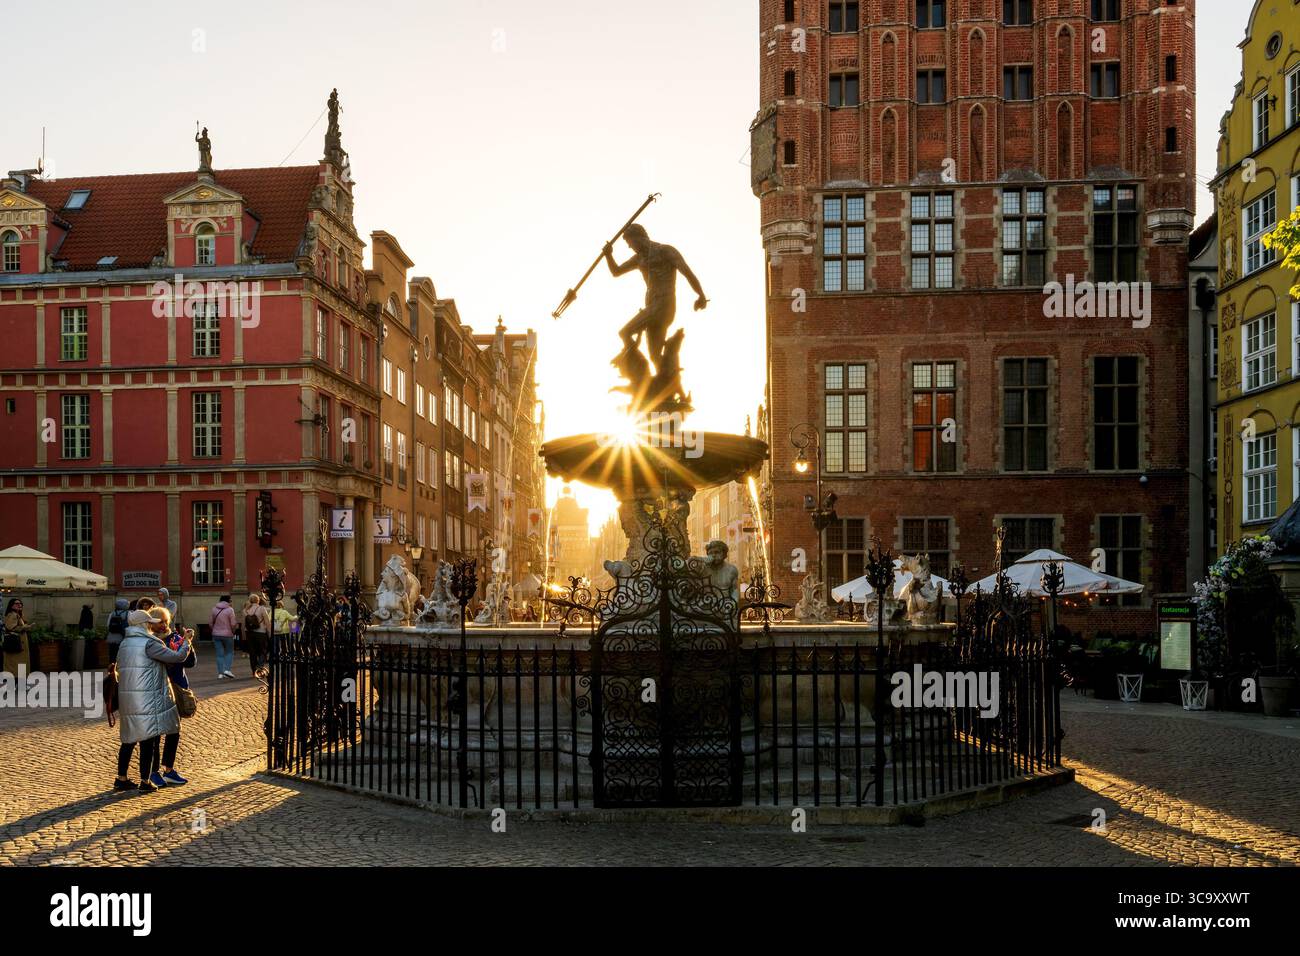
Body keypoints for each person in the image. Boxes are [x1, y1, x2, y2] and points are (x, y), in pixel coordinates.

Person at [112, 607, 191, 793]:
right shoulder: (149, 643)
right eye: (148, 622)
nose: (151, 625)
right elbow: (178, 657)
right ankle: (145, 781)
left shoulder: (125, 644)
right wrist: (186, 642)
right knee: (148, 738)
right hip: (147, 698)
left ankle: (121, 778)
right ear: (143, 624)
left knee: (129, 739)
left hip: (129, 699)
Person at [241, 593, 271, 679]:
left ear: (250, 601)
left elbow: (244, 624)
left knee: (252, 653)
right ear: (258, 600)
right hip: (261, 633)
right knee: (263, 650)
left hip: (249, 633)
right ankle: (260, 665)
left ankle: (254, 671)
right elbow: (267, 622)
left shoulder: (245, 611)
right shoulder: (261, 608)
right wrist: (269, 633)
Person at [2, 598, 32, 677]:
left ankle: (18, 686)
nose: (19, 605)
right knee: (16, 666)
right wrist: (25, 627)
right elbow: (10, 627)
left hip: (18, 645)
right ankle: (19, 686)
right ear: (11, 606)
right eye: (16, 603)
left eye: (20, 603)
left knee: (17, 666)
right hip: (16, 645)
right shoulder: (13, 614)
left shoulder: (17, 614)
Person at [210, 595, 237, 680]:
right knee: (229, 652)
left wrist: (214, 630)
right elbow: (233, 623)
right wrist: (233, 631)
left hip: (216, 634)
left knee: (219, 654)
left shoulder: (214, 609)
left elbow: (210, 623)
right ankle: (227, 670)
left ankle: (220, 673)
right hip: (228, 634)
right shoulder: (230, 610)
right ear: (229, 601)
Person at [106, 598, 130, 664]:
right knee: (123, 657)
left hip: (111, 638)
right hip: (123, 638)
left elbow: (108, 625)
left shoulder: (112, 613)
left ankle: (111, 671)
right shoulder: (128, 613)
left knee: (112, 656)